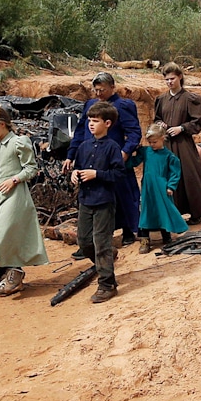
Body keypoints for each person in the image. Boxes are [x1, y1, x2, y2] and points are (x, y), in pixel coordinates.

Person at [0, 106, 49, 297]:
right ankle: (14, 273)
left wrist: (14, 179)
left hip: (15, 194)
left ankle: (15, 272)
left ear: (2, 124)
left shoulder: (18, 143)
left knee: (2, 233)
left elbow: (31, 169)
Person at [64, 72, 142, 247]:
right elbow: (79, 131)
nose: (98, 94)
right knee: (92, 197)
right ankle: (91, 240)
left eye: (102, 90)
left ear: (112, 88)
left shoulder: (122, 106)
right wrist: (71, 154)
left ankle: (128, 230)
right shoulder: (91, 105)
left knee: (122, 196)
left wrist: (125, 152)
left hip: (113, 158)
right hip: (90, 156)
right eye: (96, 90)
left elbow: (134, 132)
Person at [70, 101, 125, 303]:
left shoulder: (112, 148)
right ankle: (107, 258)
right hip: (85, 200)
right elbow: (79, 167)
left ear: (108, 123)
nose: (91, 125)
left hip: (104, 201)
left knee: (100, 243)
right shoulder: (84, 147)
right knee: (84, 242)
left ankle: (107, 284)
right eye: (89, 121)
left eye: (95, 121)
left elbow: (118, 174)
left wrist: (97, 174)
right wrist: (75, 174)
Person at [153, 63, 201, 224]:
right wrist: (161, 125)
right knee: (168, 177)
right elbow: (157, 118)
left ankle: (196, 214)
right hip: (166, 144)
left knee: (189, 176)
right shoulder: (161, 99)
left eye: (172, 78)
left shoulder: (191, 99)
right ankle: (173, 214)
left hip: (184, 144)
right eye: (166, 79)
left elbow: (197, 123)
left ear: (180, 77)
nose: (169, 82)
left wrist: (181, 128)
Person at [128, 122, 190, 254]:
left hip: (162, 189)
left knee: (163, 211)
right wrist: (130, 154)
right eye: (150, 142)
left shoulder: (169, 156)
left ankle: (166, 237)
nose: (152, 145)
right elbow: (133, 162)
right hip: (148, 189)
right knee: (146, 212)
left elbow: (175, 173)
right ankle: (145, 240)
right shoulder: (145, 151)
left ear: (163, 138)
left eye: (154, 142)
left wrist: (171, 186)